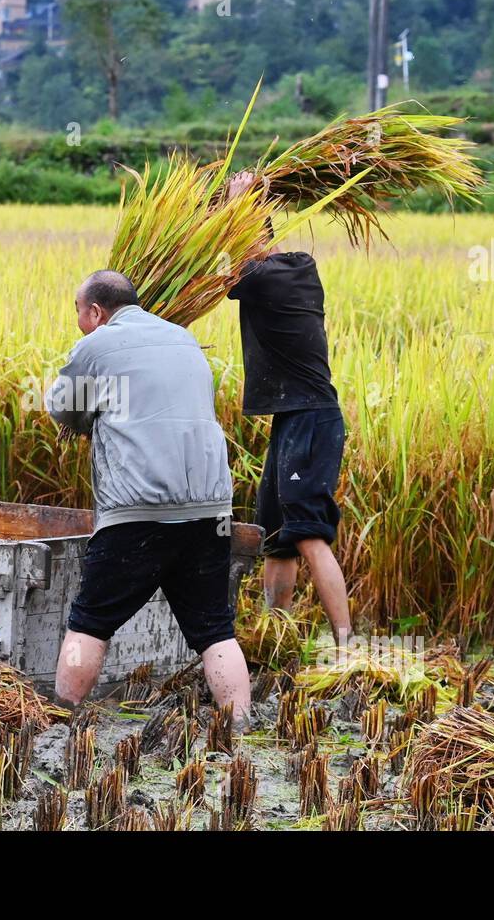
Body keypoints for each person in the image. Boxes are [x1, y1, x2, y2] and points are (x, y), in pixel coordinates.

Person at [46, 269, 251, 720]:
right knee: (215, 629)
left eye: (79, 314)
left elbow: (63, 408)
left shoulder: (97, 344)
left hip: (137, 511)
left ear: (96, 312)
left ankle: (62, 717)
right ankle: (240, 724)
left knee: (89, 623)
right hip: (209, 510)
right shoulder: (182, 337)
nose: (79, 323)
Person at [225, 171, 352, 644]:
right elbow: (248, 258)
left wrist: (239, 203)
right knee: (277, 536)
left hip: (311, 417)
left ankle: (346, 645)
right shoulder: (299, 266)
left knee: (307, 531)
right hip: (294, 417)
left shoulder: (266, 276)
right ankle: (274, 632)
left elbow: (233, 266)